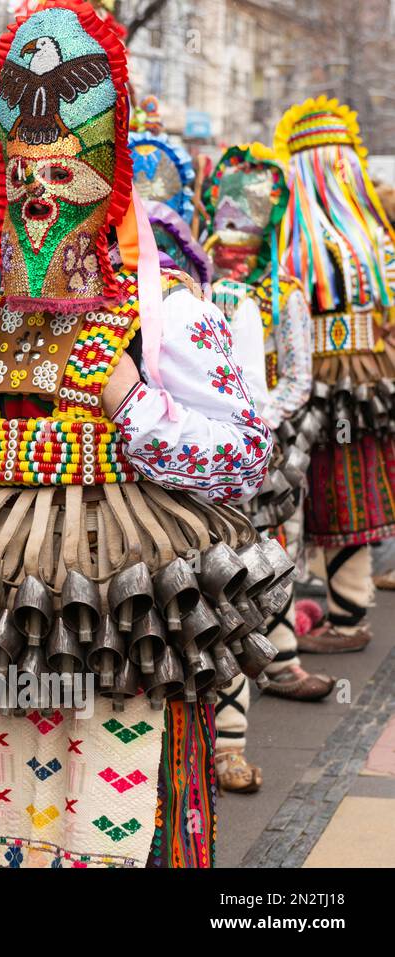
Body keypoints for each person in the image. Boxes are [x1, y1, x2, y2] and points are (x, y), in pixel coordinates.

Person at [0, 0, 280, 869]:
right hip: (4, 614)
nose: (41, 197)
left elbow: (244, 457)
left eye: (63, 176)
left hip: (122, 614)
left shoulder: (169, 315)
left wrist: (129, 399)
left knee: (116, 816)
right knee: (11, 808)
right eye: (23, 176)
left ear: (103, 177)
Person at [198, 143, 329, 796]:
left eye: (251, 212)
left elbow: (299, 378)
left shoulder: (284, 295)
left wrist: (257, 425)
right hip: (196, 466)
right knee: (207, 596)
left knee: (256, 589)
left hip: (265, 464)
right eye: (228, 210)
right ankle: (212, 735)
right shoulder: (186, 285)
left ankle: (234, 737)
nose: (236, 228)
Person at [277, 97, 395, 654]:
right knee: (347, 483)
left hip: (329, 380)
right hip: (364, 375)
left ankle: (347, 615)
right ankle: (343, 604)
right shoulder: (365, 230)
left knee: (339, 486)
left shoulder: (301, 236)